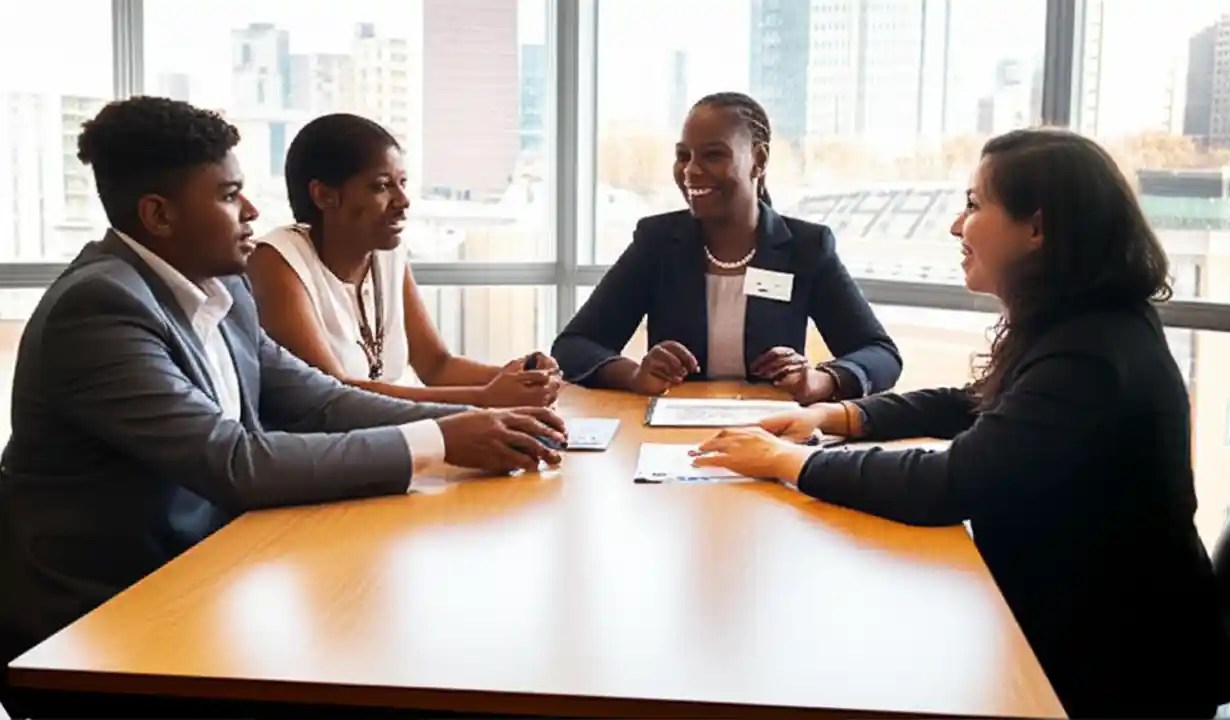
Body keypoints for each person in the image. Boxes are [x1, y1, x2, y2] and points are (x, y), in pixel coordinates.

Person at [0, 97, 565, 671]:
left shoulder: (223, 292)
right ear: (159, 216)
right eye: (227, 195)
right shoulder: (101, 309)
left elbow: (318, 398)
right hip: (102, 622)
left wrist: (461, 426)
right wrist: (441, 442)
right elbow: (233, 462)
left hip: (208, 572)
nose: (250, 210)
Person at [689, 129, 1230, 717]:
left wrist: (791, 463)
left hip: (1116, 675)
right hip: (1073, 630)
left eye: (974, 205)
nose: (956, 225)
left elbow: (951, 483)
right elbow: (970, 403)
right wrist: (836, 415)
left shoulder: (1092, 354)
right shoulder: (1084, 326)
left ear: (1036, 228)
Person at [552, 92, 901, 404]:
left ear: (759, 161)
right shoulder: (657, 243)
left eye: (713, 155)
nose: (691, 171)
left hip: (772, 435)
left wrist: (820, 381)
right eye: (683, 156)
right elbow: (574, 346)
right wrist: (633, 375)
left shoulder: (806, 247)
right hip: (669, 435)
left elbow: (880, 355)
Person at [248, 113, 561, 408]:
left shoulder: (388, 254)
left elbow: (437, 366)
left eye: (403, 183)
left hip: (390, 440)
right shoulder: (276, 261)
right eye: (382, 186)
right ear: (324, 196)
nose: (403, 200)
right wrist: (486, 397)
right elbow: (335, 396)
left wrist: (521, 378)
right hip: (328, 454)